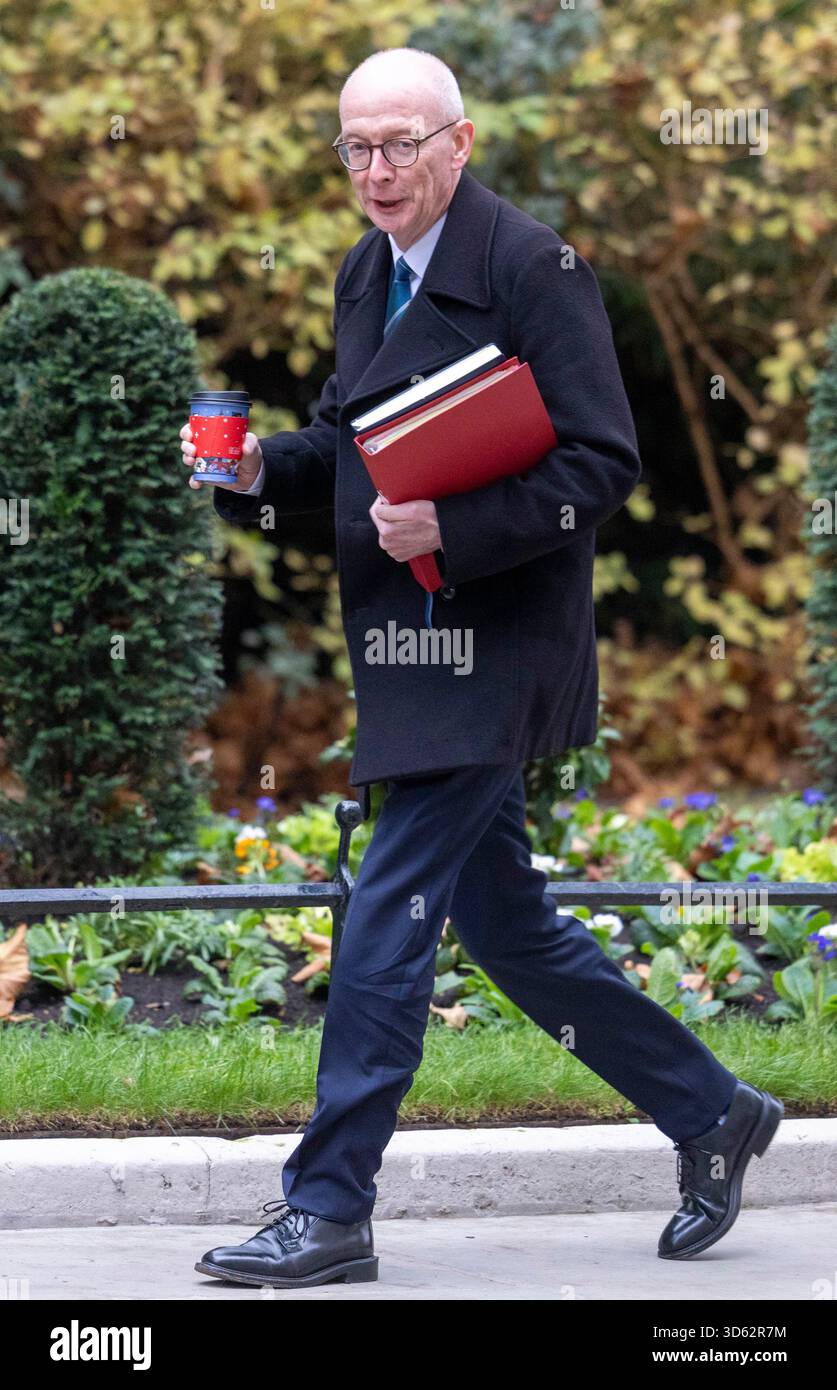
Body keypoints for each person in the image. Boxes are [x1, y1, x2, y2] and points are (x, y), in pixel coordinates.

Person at [183, 47, 782, 1290]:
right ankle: (712, 1111)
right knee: (507, 926)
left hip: (494, 646)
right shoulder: (366, 270)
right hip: (409, 638)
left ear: (461, 144)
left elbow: (601, 463)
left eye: (402, 144)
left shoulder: (534, 265)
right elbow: (354, 445)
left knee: (384, 916)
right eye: (356, 147)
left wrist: (458, 530)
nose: (377, 170)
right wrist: (254, 478)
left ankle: (331, 1205)